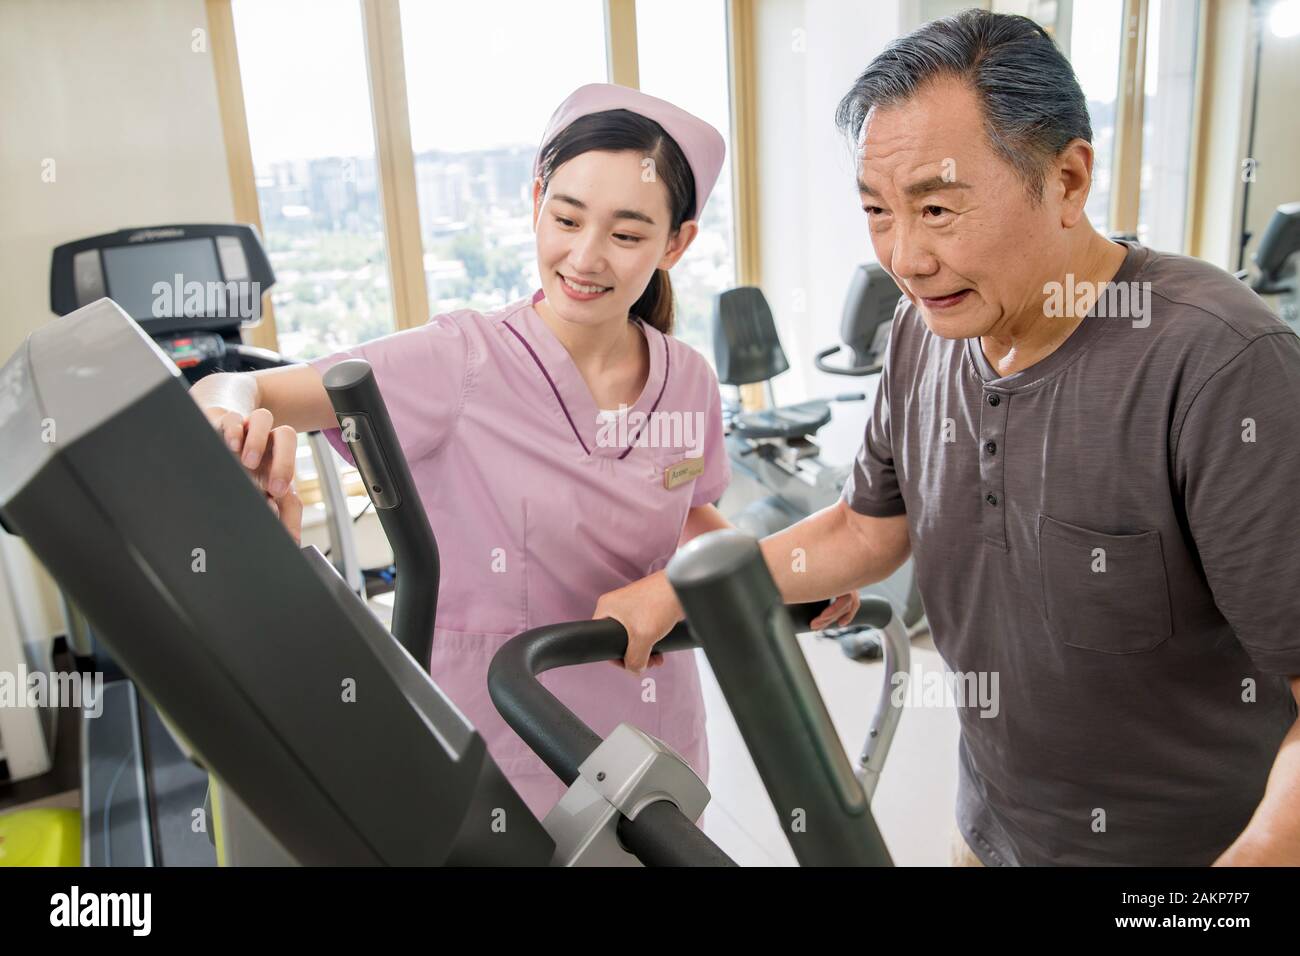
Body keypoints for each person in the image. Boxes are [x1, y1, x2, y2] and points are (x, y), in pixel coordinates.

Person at [596, 11, 1300, 865]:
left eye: (936, 207)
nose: (906, 256)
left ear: (1069, 179)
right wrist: (687, 590)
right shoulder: (919, 335)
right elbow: (867, 529)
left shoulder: (1221, 364)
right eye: (878, 212)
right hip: (990, 834)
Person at [192, 83, 860, 820]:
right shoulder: (459, 361)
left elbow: (691, 517)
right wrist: (229, 425)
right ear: (536, 199)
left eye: (627, 235)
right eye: (566, 218)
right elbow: (240, 386)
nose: (585, 256)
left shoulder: (688, 380)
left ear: (677, 244)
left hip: (652, 725)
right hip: (503, 736)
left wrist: (784, 573)